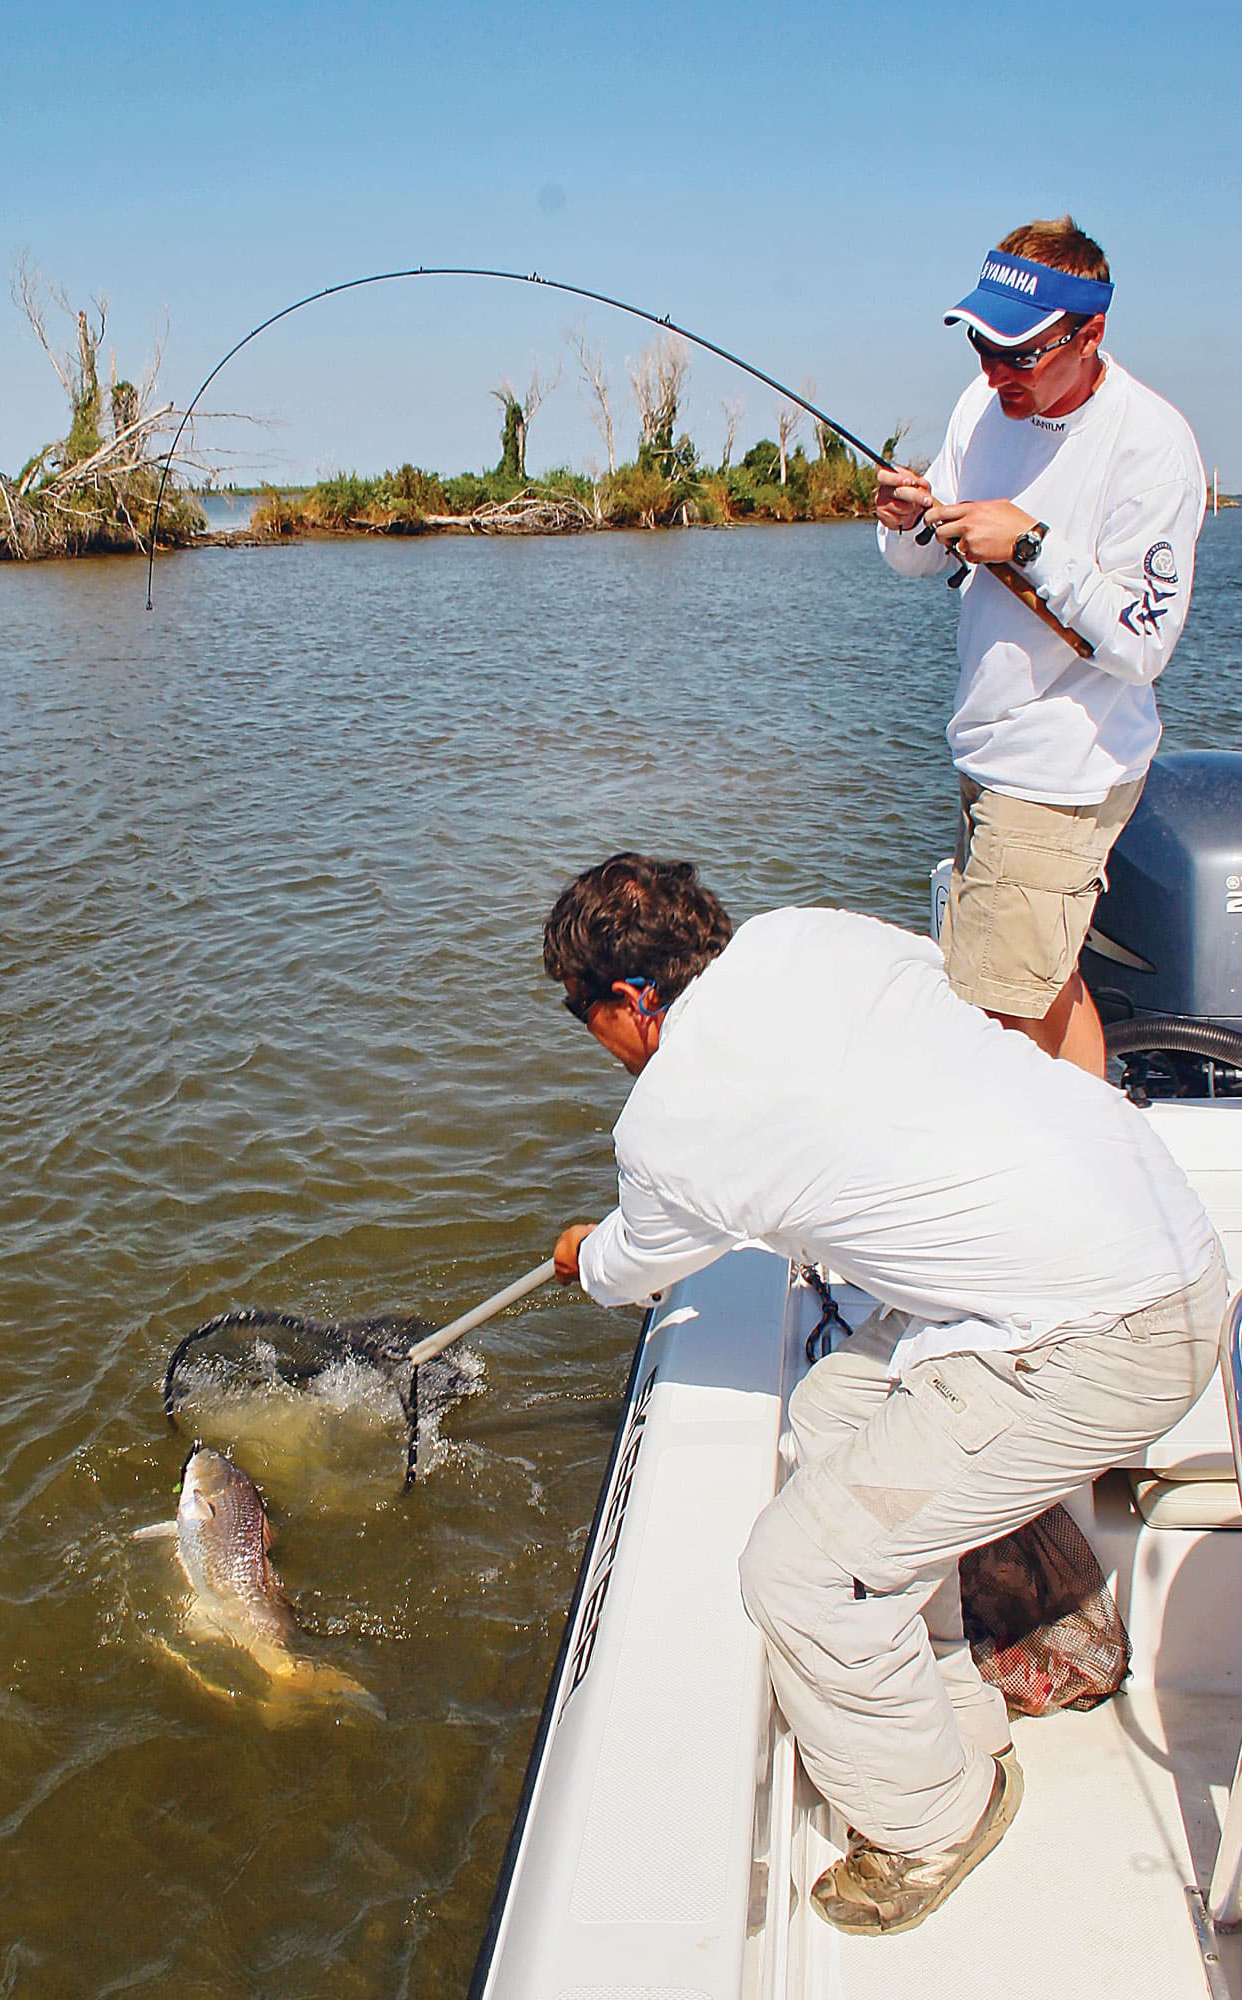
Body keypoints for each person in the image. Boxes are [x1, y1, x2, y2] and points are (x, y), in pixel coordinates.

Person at [545, 852, 1224, 1935]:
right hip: (1166, 1239)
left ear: (629, 1001)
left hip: (1107, 1335)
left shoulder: (667, 1121)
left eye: (586, 1018)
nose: (601, 1046)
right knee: (829, 1414)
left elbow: (637, 1264)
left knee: (793, 1571)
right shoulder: (813, 930)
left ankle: (934, 1815)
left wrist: (585, 1255)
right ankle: (951, 1698)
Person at [876, 217, 1206, 1075]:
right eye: (981, 343)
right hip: (987, 748)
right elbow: (924, 557)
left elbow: (1145, 646)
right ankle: (1104, 1143)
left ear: (1089, 334)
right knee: (1050, 984)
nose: (993, 371)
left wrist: (1029, 544)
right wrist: (910, 523)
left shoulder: (1152, 447)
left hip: (1060, 772)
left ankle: (1038, 1194)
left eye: (1018, 352)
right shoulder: (980, 408)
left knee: (991, 1031)